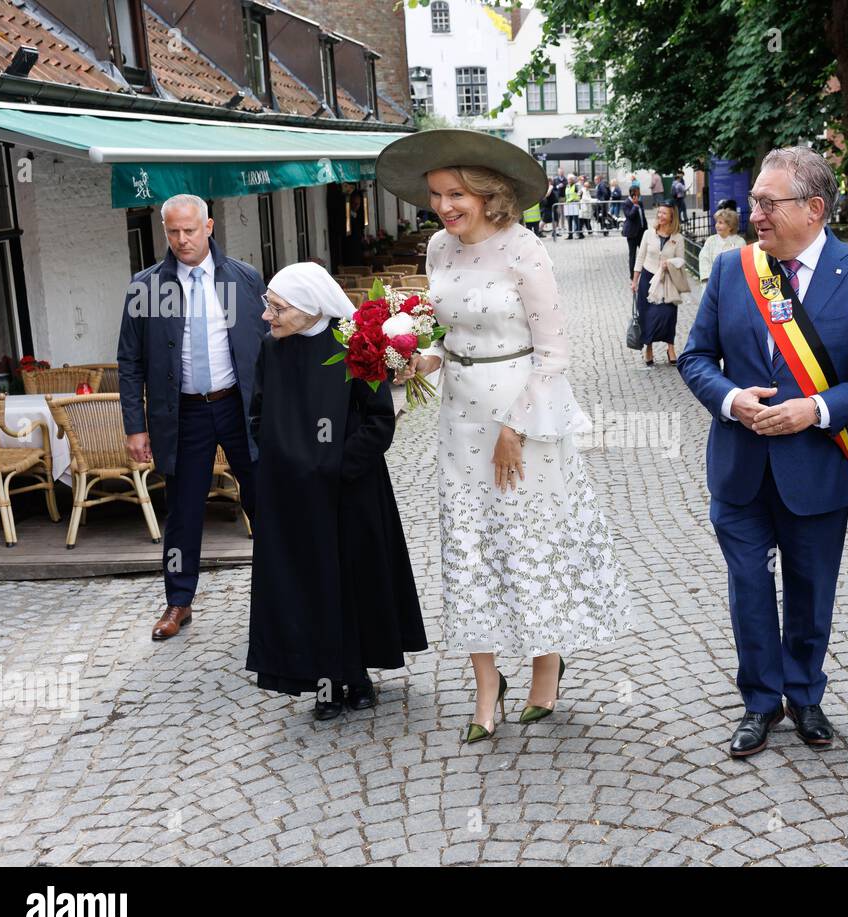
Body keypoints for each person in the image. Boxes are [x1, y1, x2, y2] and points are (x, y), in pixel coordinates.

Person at [376, 128, 632, 743]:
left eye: (455, 194)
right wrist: (416, 362)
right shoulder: (439, 249)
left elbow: (554, 354)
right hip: (459, 417)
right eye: (436, 195)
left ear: (490, 194)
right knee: (469, 543)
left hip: (524, 414)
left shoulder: (525, 250)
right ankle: (486, 685)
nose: (443, 207)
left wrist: (514, 428)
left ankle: (546, 664)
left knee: (526, 539)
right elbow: (449, 340)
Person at [677, 145, 848, 758]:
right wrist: (730, 400)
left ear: (815, 209)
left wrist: (817, 409)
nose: (754, 215)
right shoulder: (732, 271)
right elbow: (695, 358)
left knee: (809, 589)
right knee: (749, 585)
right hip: (740, 466)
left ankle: (804, 694)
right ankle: (759, 702)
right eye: (754, 202)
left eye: (767, 203)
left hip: (817, 466)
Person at [245, 264, 427, 719]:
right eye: (270, 306)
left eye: (277, 307)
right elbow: (259, 413)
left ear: (309, 308)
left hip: (350, 489)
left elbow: (378, 419)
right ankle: (325, 680)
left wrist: (337, 466)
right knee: (308, 585)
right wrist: (282, 462)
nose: (268, 316)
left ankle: (358, 674)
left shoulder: (352, 346)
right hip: (292, 494)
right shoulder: (272, 349)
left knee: (352, 580)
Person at [117, 194, 267, 640]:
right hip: (182, 415)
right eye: (173, 232)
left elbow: (269, 347)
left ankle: (281, 588)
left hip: (239, 408)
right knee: (182, 513)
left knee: (263, 499)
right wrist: (136, 426)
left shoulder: (243, 279)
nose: (182, 240)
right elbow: (129, 363)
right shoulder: (146, 287)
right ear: (165, 231)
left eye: (190, 230)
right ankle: (178, 602)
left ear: (210, 227)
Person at [632, 200, 685, 367]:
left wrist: (669, 263)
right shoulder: (649, 233)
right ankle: (648, 348)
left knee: (668, 315)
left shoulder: (677, 237)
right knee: (647, 315)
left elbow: (682, 260)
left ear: (671, 216)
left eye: (664, 213)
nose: (661, 216)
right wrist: (634, 280)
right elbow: (640, 257)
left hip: (668, 280)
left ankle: (670, 347)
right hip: (648, 278)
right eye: (659, 212)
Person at [698, 207, 746, 283]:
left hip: (732, 283)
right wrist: (709, 279)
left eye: (720, 223)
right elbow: (704, 259)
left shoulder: (740, 242)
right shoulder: (711, 240)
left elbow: (742, 264)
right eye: (716, 222)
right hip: (712, 282)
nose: (717, 225)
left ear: (730, 226)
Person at [621, 186, 647, 278]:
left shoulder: (640, 202)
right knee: (632, 254)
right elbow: (630, 216)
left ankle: (647, 272)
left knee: (646, 253)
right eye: (638, 192)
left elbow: (642, 217)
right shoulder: (626, 203)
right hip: (632, 233)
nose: (639, 194)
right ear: (633, 193)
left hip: (641, 232)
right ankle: (632, 275)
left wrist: (646, 230)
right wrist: (635, 205)